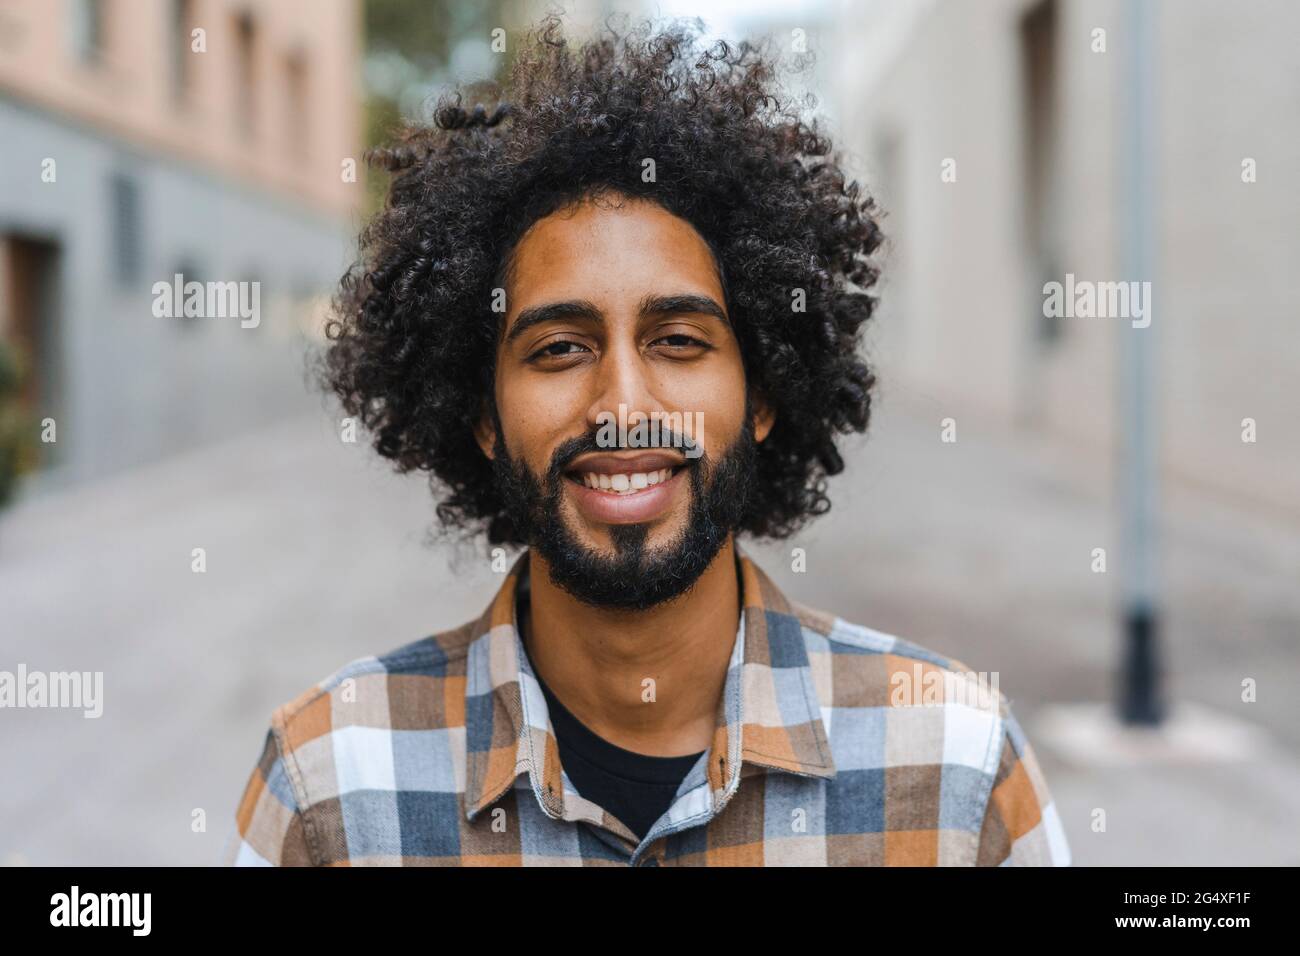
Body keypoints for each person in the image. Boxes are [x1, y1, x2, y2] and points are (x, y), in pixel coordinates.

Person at [222, 13, 1070, 867]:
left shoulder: (957, 768)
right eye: (558, 350)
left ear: (763, 391)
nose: (624, 407)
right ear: (484, 415)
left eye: (678, 341)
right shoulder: (328, 785)